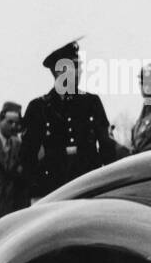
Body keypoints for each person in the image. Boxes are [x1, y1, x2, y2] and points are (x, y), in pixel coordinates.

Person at [21, 38, 114, 200]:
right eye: (75, 66)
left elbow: (107, 148)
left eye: (80, 66)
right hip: (53, 191)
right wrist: (37, 193)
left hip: (89, 187)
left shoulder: (91, 102)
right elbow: (27, 157)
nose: (80, 71)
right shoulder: (38, 108)